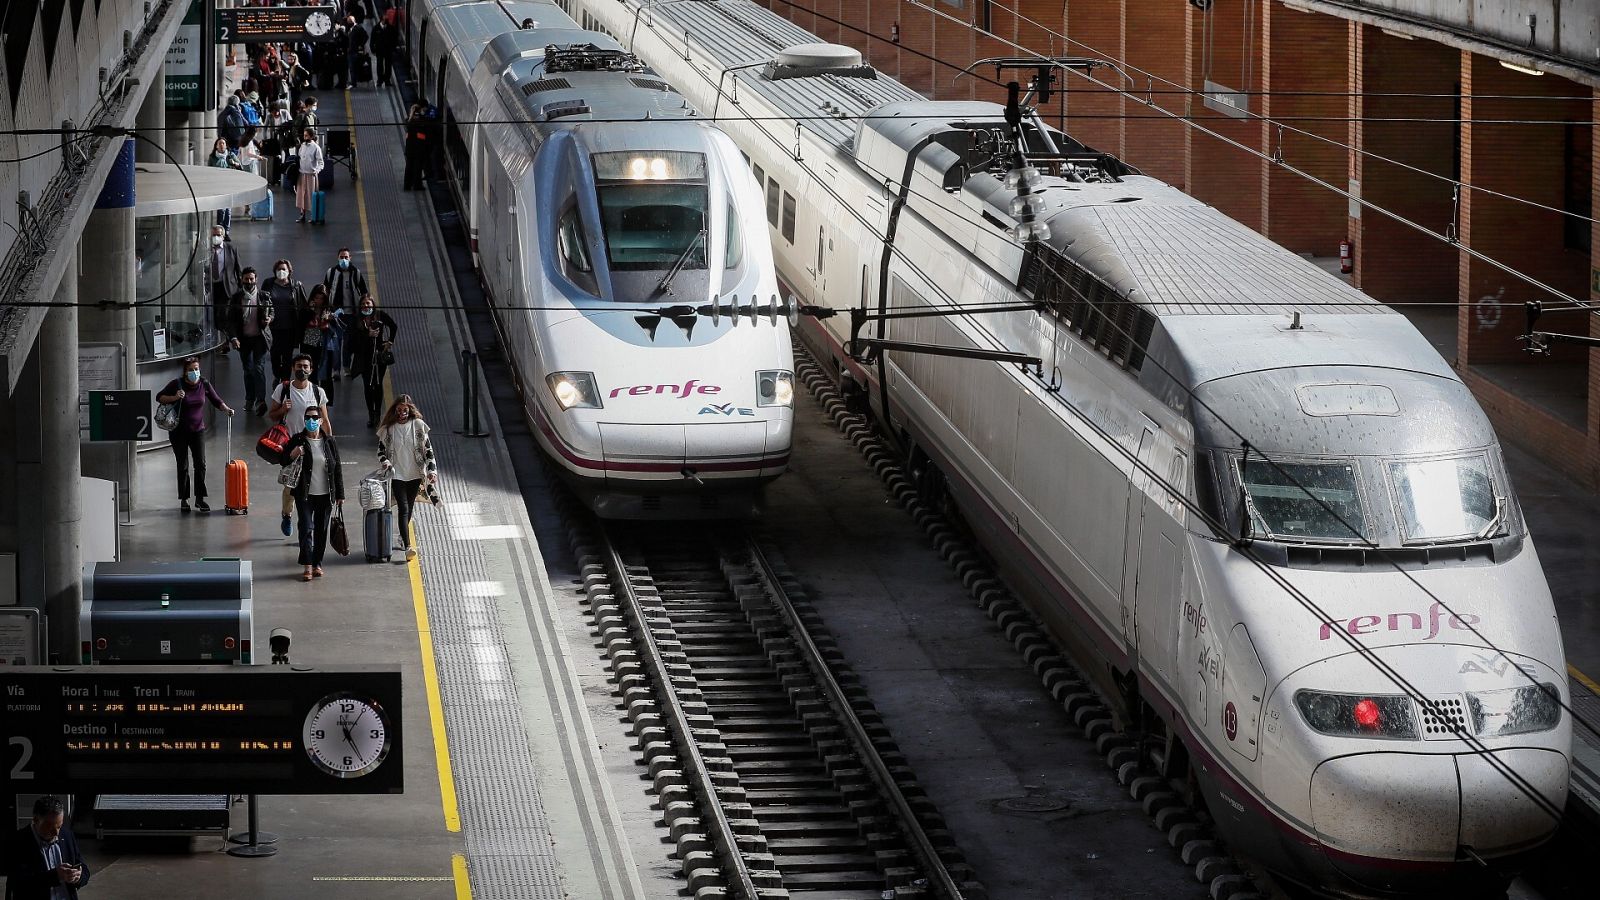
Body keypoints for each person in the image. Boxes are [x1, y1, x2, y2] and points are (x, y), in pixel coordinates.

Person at [156, 356, 235, 514]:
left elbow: (216, 400)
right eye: (191, 370)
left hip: (198, 430)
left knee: (200, 464)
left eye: (196, 369)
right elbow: (159, 397)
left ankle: (200, 498)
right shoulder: (176, 384)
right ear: (185, 372)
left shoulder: (204, 384)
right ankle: (184, 499)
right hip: (179, 432)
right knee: (183, 465)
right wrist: (175, 397)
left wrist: (226, 409)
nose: (194, 372)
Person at [269, 354, 333, 536]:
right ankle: (287, 514)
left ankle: (306, 526)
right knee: (290, 486)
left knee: (311, 486)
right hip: (292, 446)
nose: (302, 369)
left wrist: (329, 445)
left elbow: (325, 420)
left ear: (311, 370)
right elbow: (271, 415)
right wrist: (283, 409)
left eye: (305, 366)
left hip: (314, 445)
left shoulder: (317, 392)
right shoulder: (283, 389)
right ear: (292, 368)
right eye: (299, 366)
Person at [284, 405, 345, 581]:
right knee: (306, 527)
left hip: (325, 494)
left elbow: (337, 468)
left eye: (314, 418)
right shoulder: (298, 440)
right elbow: (283, 459)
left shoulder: (329, 442)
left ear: (320, 420)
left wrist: (340, 494)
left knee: (321, 530)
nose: (311, 421)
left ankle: (317, 562)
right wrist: (293, 453)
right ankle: (307, 565)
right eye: (307, 418)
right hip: (304, 494)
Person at [377, 395, 438, 561]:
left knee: (409, 508)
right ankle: (408, 546)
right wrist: (386, 462)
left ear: (410, 409)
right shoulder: (388, 429)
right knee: (403, 509)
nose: (402, 413)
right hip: (397, 475)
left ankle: (402, 537)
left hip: (415, 474)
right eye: (399, 409)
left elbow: (428, 451)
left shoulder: (418, 426)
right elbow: (381, 451)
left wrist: (432, 471)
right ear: (395, 410)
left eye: (405, 409)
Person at [3, 796, 90, 900]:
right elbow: (19, 885)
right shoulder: (17, 842)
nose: (56, 833)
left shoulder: (67, 835)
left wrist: (78, 877)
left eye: (59, 826)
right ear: (35, 820)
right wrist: (55, 876)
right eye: (50, 827)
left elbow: (84, 870)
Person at [228, 267, 274, 416]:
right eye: (246, 279)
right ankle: (250, 398)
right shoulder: (236, 298)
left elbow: (272, 311)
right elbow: (232, 321)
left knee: (259, 368)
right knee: (248, 369)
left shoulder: (263, 296)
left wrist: (269, 319)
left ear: (256, 279)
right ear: (242, 279)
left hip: (259, 338)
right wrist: (233, 338)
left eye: (251, 279)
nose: (249, 282)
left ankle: (260, 401)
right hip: (244, 339)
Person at [348, 294, 397, 427]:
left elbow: (393, 326)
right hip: (364, 357)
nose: (366, 306)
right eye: (363, 304)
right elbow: (351, 338)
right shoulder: (356, 319)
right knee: (368, 385)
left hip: (379, 356)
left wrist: (390, 341)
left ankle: (377, 413)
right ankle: (371, 413)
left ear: (373, 305)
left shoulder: (380, 315)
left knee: (378, 384)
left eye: (368, 304)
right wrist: (367, 334)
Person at [323, 248, 369, 374]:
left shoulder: (356, 273)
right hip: (336, 315)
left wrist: (364, 306)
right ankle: (336, 369)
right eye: (341, 257)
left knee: (348, 343)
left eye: (346, 257)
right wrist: (327, 310)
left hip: (351, 314)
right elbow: (325, 292)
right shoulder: (331, 273)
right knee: (336, 343)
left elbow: (364, 291)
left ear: (350, 258)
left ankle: (346, 367)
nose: (344, 259)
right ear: (338, 258)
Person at [266, 259, 308, 381]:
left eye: (284, 269)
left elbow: (303, 305)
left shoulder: (296, 286)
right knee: (274, 355)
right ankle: (277, 375)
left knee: (287, 357)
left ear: (289, 271)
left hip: (289, 329)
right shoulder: (269, 284)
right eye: (279, 269)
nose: (281, 271)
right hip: (273, 327)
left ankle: (285, 381)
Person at [205, 224, 241, 350]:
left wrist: (241, 288)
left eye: (218, 235)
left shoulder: (231, 248)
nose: (216, 237)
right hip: (211, 286)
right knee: (213, 314)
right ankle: (216, 339)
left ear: (223, 236)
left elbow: (238, 269)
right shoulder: (204, 249)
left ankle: (224, 341)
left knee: (224, 314)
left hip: (226, 287)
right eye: (213, 235)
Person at [299, 285, 338, 394]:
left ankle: (325, 400)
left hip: (325, 345)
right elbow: (301, 323)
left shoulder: (329, 310)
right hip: (309, 344)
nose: (319, 301)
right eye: (317, 298)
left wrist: (329, 320)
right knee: (311, 371)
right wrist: (311, 311)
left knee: (326, 372)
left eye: (322, 298)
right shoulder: (306, 310)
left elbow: (335, 328)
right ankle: (312, 395)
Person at [207, 138, 238, 234]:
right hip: (218, 185)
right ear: (216, 146)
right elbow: (209, 171)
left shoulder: (230, 155)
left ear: (226, 145)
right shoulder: (212, 157)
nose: (221, 145)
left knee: (228, 210)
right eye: (219, 143)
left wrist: (233, 163)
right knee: (221, 209)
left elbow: (239, 165)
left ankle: (227, 231)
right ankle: (220, 231)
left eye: (223, 143)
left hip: (229, 184)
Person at [295, 128, 324, 224]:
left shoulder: (316, 148)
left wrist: (317, 171)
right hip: (302, 174)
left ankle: (313, 215)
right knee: (301, 195)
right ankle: (302, 214)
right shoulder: (302, 146)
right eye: (304, 135)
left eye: (306, 135)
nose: (305, 137)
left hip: (311, 175)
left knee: (311, 195)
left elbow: (321, 163)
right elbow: (299, 157)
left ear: (311, 136)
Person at [402, 104, 429, 190]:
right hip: (419, 149)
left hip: (409, 148)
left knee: (409, 167)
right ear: (420, 110)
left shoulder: (408, 121)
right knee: (418, 167)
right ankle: (417, 185)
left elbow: (407, 123)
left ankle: (407, 185)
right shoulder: (422, 120)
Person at [371, 16, 398, 87]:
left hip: (388, 51)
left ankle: (387, 80)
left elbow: (395, 39)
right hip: (379, 50)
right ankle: (380, 80)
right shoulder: (376, 28)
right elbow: (372, 40)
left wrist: (393, 48)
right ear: (381, 20)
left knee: (388, 66)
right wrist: (373, 49)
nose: (386, 23)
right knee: (379, 65)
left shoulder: (391, 28)